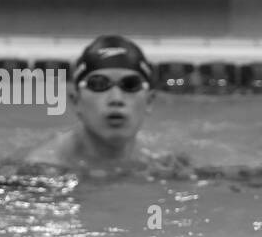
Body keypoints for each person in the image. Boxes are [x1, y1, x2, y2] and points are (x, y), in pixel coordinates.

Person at [27, 35, 186, 173]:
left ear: (149, 101)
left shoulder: (167, 165)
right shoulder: (43, 167)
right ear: (76, 101)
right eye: (98, 84)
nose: (116, 98)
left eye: (130, 84)